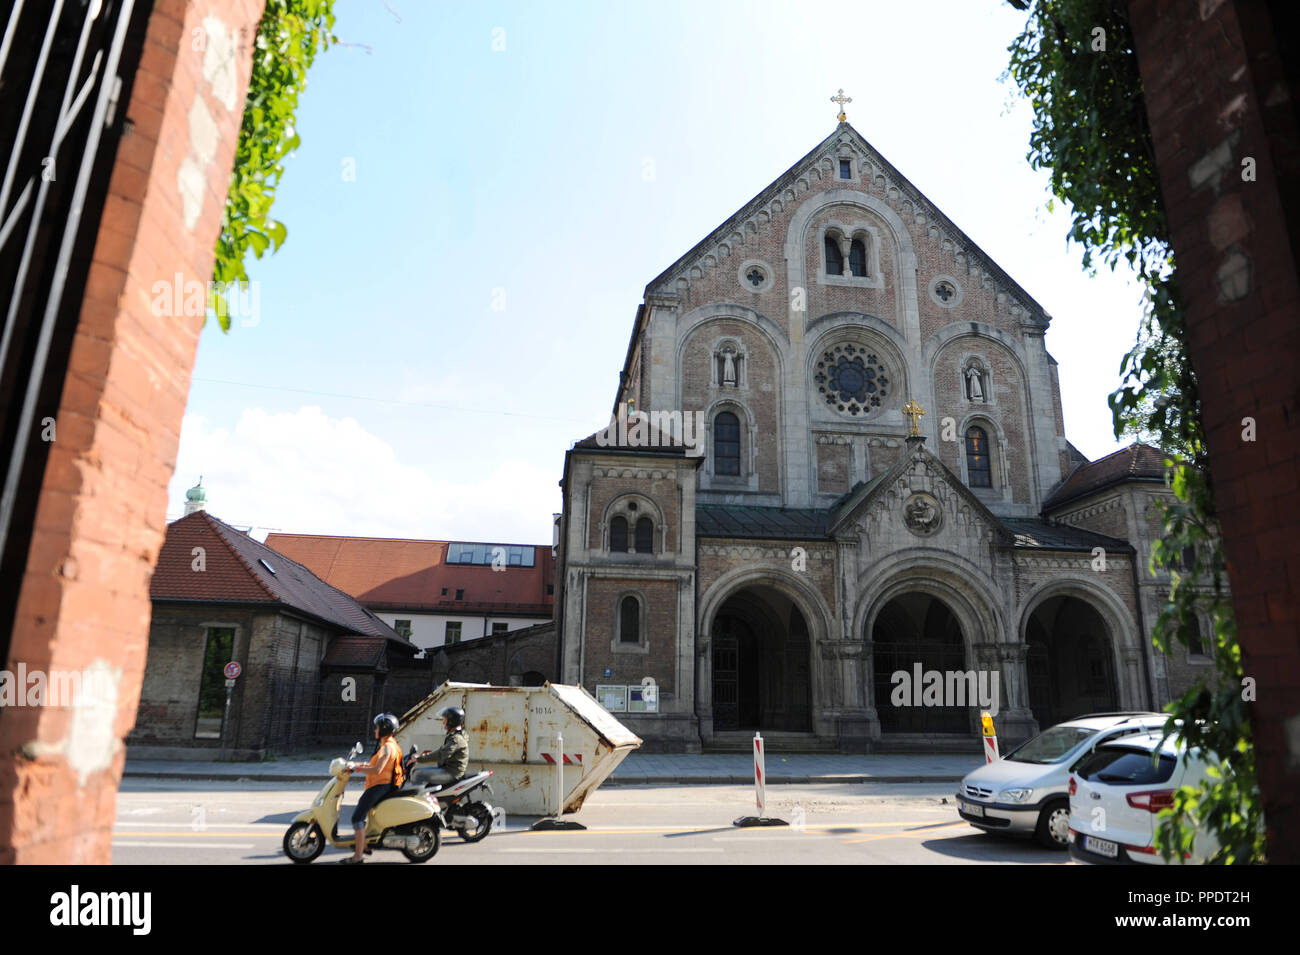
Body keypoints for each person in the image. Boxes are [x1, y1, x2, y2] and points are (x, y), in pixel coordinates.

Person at [340, 712, 405, 864]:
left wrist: (356, 769)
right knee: (366, 815)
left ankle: (358, 857)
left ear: (383, 729)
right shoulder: (389, 744)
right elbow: (376, 766)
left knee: (357, 817)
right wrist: (358, 765)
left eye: (376, 728)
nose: (375, 731)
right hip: (381, 785)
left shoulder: (388, 747)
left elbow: (377, 770)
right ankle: (365, 844)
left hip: (379, 786)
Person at [416, 706, 469, 788]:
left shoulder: (456, 739)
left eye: (445, 720)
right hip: (448, 770)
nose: (443, 722)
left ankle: (417, 799)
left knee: (418, 774)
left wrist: (419, 759)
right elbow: (443, 752)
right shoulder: (456, 735)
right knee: (417, 771)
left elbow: (442, 754)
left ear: (451, 722)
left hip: (452, 773)